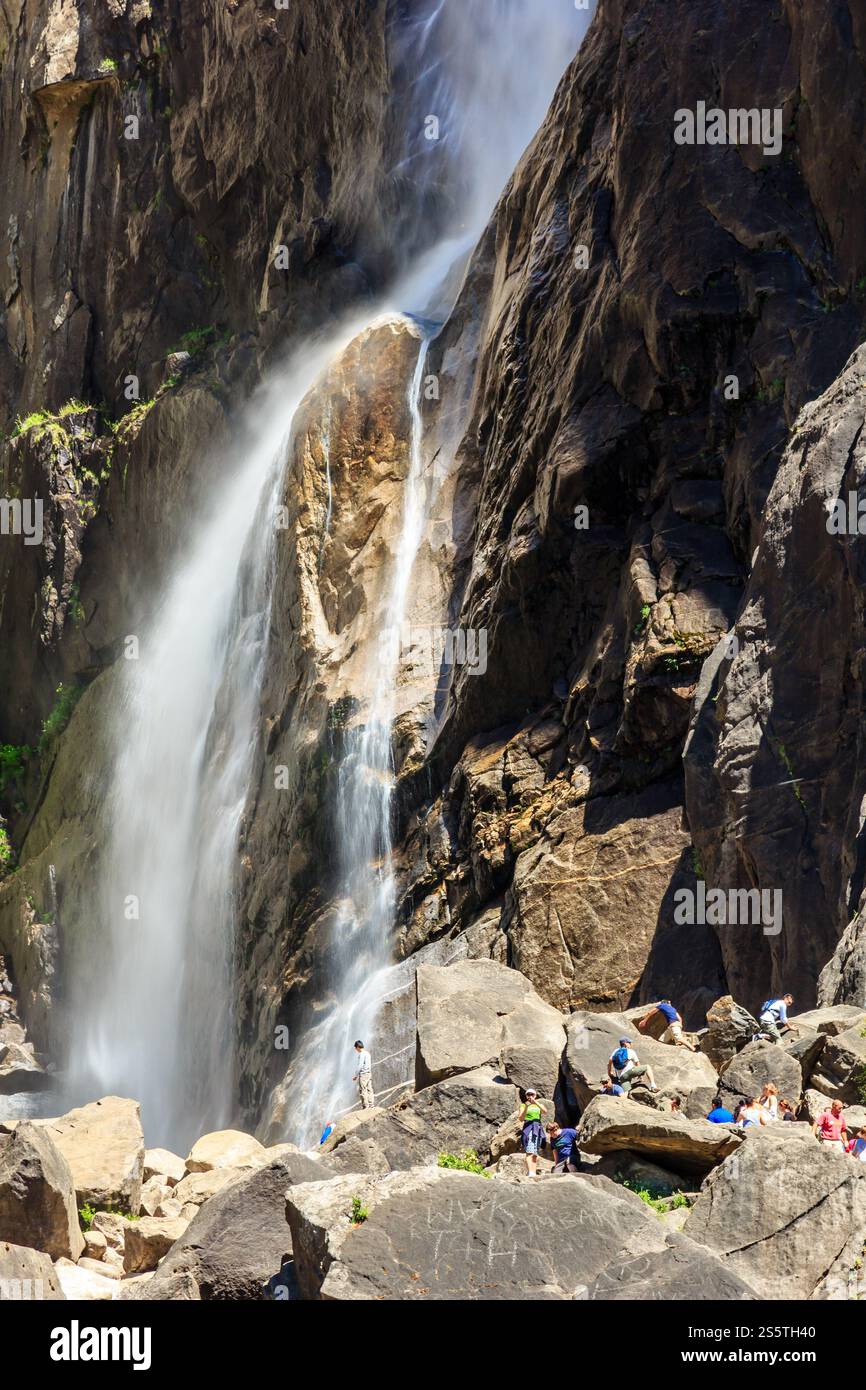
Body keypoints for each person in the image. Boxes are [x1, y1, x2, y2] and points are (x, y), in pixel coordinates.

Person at [518, 1088, 548, 1177]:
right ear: (526, 1096)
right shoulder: (523, 1105)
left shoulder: (538, 1105)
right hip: (529, 1127)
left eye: (532, 1094)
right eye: (528, 1095)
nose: (530, 1096)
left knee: (535, 1153)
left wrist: (535, 1103)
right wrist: (527, 1107)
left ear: (535, 1095)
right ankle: (530, 1171)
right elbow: (521, 1118)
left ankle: (533, 1172)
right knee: (529, 1151)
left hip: (537, 1128)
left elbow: (545, 1111)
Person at [352, 1040, 374, 1110]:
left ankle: (365, 1106)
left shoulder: (362, 1054)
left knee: (363, 1090)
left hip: (363, 1074)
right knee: (369, 1089)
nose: (356, 1050)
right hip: (369, 1073)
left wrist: (356, 1075)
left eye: (356, 1048)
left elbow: (360, 1065)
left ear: (358, 1047)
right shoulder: (368, 1053)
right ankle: (371, 1104)